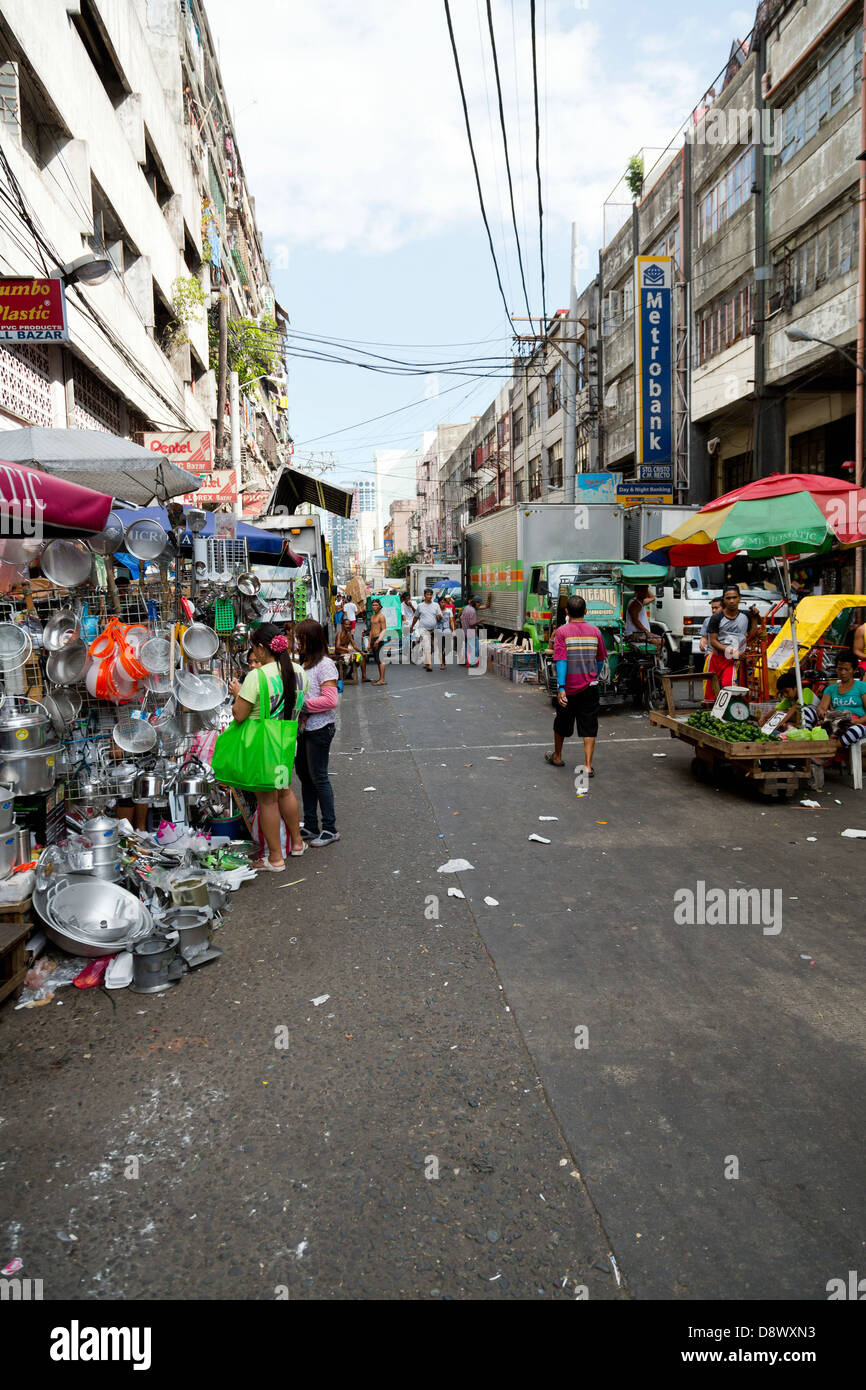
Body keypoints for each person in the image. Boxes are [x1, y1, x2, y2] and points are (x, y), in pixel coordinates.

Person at [228, 623, 308, 871]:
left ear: (261, 648)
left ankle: (275, 858)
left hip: (263, 747)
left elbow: (239, 715)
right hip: (286, 743)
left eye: (254, 647)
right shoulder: (298, 671)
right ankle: (297, 843)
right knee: (285, 790)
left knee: (268, 800)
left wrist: (238, 693)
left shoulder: (256, 676)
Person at [545, 594, 607, 777]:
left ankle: (557, 756)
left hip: (569, 689)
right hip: (589, 687)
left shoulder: (562, 632)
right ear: (586, 611)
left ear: (566, 612)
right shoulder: (595, 631)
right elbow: (601, 659)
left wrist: (561, 688)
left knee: (562, 723)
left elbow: (561, 660)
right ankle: (588, 765)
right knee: (589, 725)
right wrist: (592, 675)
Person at [295, 617, 341, 846]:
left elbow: (331, 700)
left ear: (310, 640)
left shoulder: (325, 665)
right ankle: (311, 825)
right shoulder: (306, 664)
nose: (297, 643)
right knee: (305, 777)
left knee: (319, 777)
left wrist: (303, 705)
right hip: (304, 729)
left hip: (320, 728)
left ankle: (330, 828)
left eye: (300, 639)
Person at [704, 585, 760, 697]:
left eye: (734, 597)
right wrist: (732, 652)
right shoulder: (716, 618)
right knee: (713, 692)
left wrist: (754, 618)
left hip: (737, 660)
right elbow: (713, 641)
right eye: (728, 598)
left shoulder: (746, 616)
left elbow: (752, 636)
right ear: (723, 600)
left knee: (731, 687)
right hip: (718, 659)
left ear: (740, 598)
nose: (732, 601)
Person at [802, 652, 866, 746]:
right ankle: (808, 741)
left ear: (854, 670)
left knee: (856, 731)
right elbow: (822, 707)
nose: (842, 672)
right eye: (840, 669)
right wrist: (821, 711)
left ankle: (831, 747)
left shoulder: (862, 687)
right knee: (806, 711)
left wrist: (858, 721)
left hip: (857, 724)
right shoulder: (830, 689)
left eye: (846, 669)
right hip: (835, 724)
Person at [410, 588, 443, 671]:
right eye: (427, 594)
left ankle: (426, 661)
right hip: (423, 629)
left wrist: (439, 616)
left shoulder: (436, 605)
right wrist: (411, 627)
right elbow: (416, 617)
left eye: (430, 595)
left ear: (432, 596)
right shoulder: (420, 606)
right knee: (427, 646)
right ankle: (430, 665)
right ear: (424, 596)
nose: (429, 596)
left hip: (433, 629)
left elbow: (440, 617)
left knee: (433, 648)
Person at [625, 585, 662, 652]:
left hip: (640, 633)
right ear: (637, 593)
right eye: (643, 591)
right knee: (658, 641)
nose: (646, 593)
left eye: (646, 591)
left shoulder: (641, 602)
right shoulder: (634, 604)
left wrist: (645, 585)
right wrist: (646, 631)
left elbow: (653, 597)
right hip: (633, 634)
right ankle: (657, 661)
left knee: (661, 640)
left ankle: (656, 660)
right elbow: (635, 621)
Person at [460, 592, 492, 667]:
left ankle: (468, 661)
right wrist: (480, 621)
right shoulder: (472, 611)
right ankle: (472, 663)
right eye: (479, 604)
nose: (479, 605)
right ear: (475, 602)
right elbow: (472, 624)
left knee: (468, 647)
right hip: (471, 631)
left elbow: (462, 619)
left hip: (465, 631)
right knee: (476, 648)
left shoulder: (467, 608)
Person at [334, 617, 365, 684]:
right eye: (346, 624)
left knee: (359, 659)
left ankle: (350, 674)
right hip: (339, 654)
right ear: (342, 625)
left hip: (346, 654)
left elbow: (354, 645)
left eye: (349, 625)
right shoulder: (339, 634)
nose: (348, 626)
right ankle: (344, 675)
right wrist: (348, 649)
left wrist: (361, 651)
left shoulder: (349, 634)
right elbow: (337, 646)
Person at [367, 599, 389, 685]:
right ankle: (380, 678)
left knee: (381, 660)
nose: (374, 607)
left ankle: (382, 679)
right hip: (373, 639)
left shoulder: (381, 616)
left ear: (380, 606)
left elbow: (384, 629)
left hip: (379, 639)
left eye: (376, 605)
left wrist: (378, 640)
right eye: (373, 605)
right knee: (377, 660)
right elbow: (371, 631)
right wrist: (369, 643)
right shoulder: (372, 617)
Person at [435, 594, 456, 670]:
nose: (443, 604)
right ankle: (442, 663)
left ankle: (443, 658)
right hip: (439, 630)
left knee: (448, 649)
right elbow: (434, 621)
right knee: (441, 648)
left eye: (444, 602)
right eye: (441, 602)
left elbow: (451, 621)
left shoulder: (449, 611)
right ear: (439, 603)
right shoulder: (436, 611)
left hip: (447, 630)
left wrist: (453, 630)